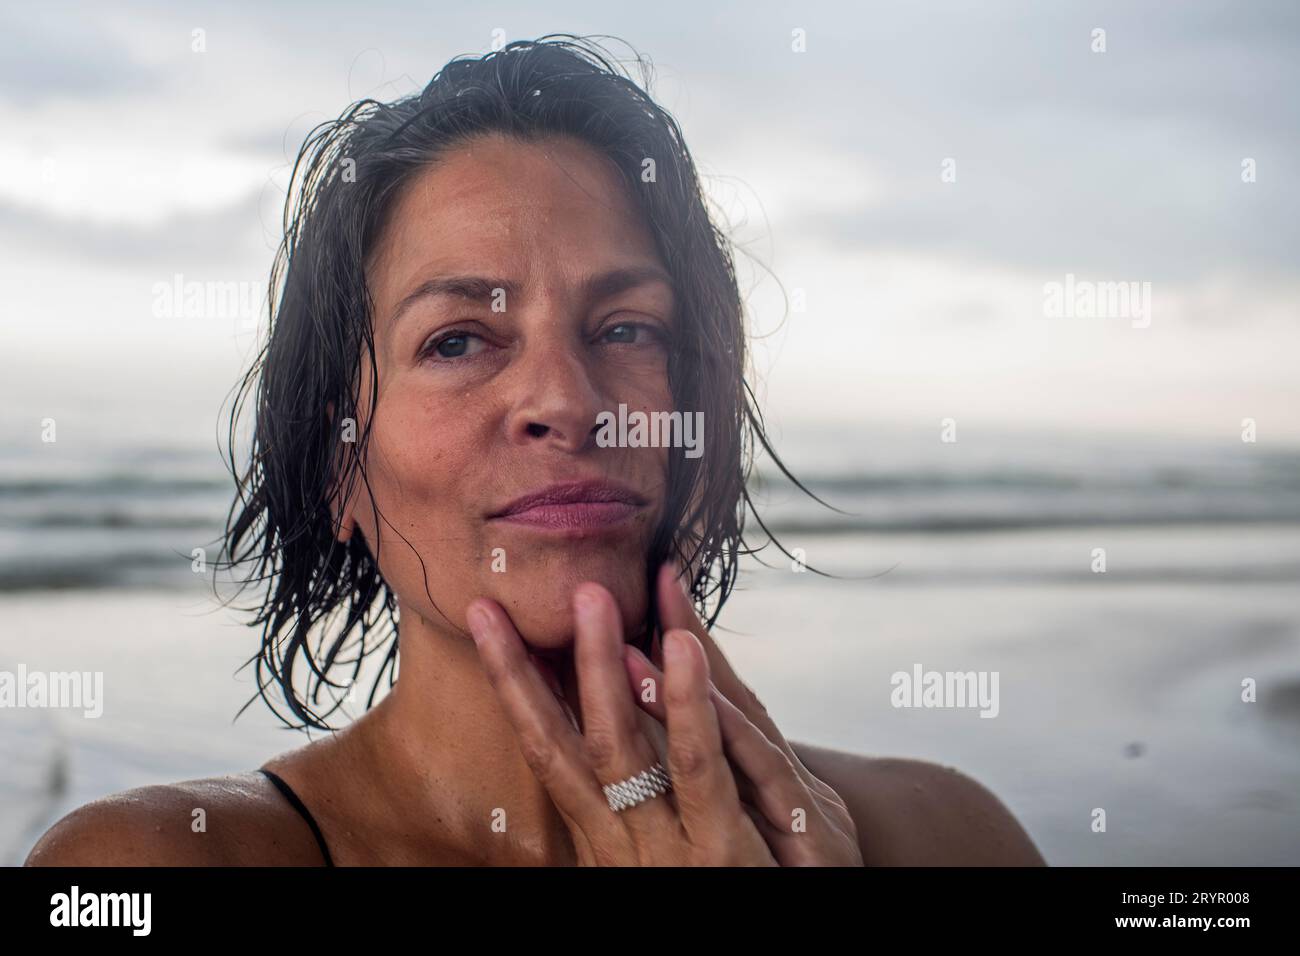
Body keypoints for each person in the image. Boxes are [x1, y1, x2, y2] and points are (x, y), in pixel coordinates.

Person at [26, 35, 1044, 867]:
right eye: (458, 338)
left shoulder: (945, 833)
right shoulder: (149, 863)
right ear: (340, 464)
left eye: (627, 328)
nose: (565, 398)